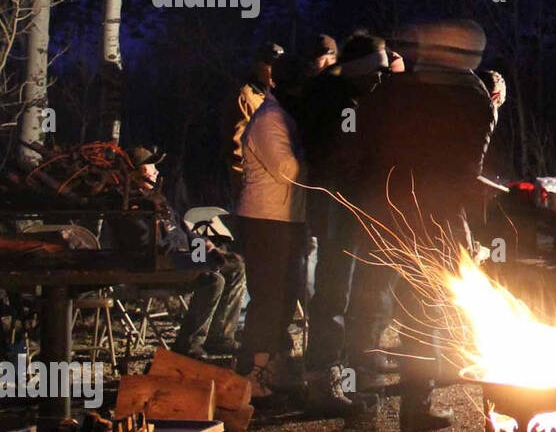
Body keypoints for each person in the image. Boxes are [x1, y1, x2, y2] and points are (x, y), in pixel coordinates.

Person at [343, 20, 499, 432]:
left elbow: (360, 146)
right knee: (421, 308)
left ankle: (357, 399)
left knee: (367, 303)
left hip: (382, 206)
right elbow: (470, 167)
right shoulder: (472, 96)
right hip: (434, 215)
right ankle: (415, 406)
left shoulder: (390, 90)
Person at [297, 32, 391, 412]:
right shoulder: (343, 106)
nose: (382, 80)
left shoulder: (337, 97)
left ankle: (336, 374)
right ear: (360, 71)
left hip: (340, 208)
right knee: (334, 295)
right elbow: (342, 156)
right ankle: (324, 383)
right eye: (377, 72)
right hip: (338, 210)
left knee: (341, 294)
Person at [117, 145, 246, 359]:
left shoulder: (157, 198)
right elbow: (147, 245)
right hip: (157, 268)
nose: (157, 172)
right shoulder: (131, 205)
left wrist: (204, 245)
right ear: (135, 173)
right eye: (151, 168)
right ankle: (188, 345)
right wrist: (192, 254)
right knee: (213, 280)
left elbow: (184, 231)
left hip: (181, 260)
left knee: (234, 265)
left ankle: (220, 337)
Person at [234, 58, 309, 399]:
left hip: (283, 219)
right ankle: (253, 373)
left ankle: (272, 368)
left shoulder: (285, 118)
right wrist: (317, 160)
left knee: (284, 296)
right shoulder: (269, 121)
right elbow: (287, 170)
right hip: (266, 222)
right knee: (268, 298)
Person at [221, 41, 284, 198]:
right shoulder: (245, 97)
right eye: (271, 64)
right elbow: (236, 150)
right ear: (258, 66)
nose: (276, 70)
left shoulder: (274, 95)